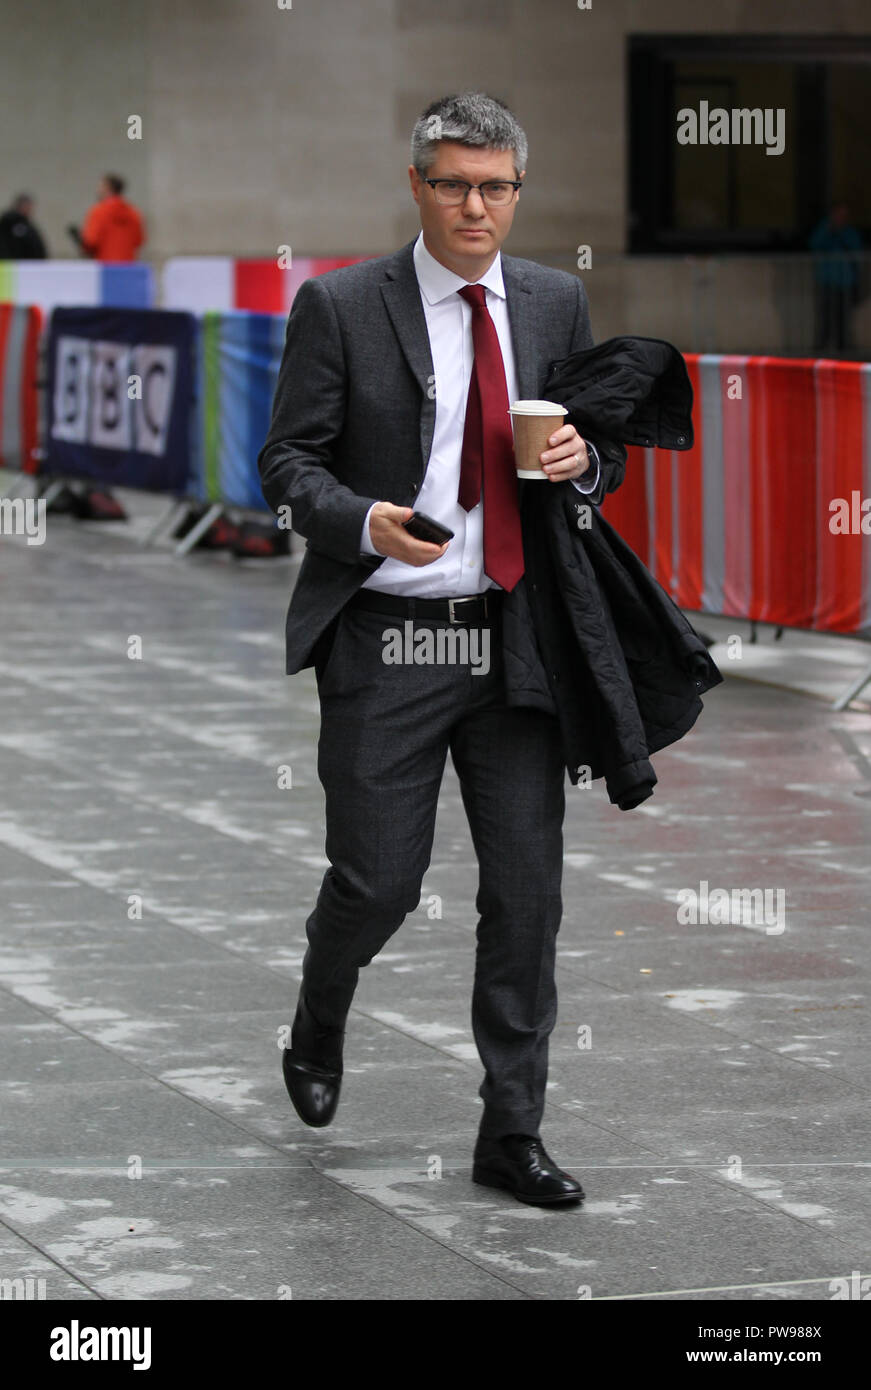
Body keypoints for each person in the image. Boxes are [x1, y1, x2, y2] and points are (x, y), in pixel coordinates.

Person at [258, 92, 618, 1207]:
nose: (476, 204)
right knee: (378, 881)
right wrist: (360, 521)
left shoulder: (556, 301)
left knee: (526, 890)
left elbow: (592, 445)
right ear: (417, 185)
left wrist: (582, 463)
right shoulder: (342, 305)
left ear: (518, 190)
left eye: (496, 185)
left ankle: (511, 1130)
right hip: (387, 633)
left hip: (514, 634)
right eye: (455, 183)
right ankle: (320, 1012)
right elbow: (286, 464)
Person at [809, 202, 863, 354]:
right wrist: (830, 230)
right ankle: (820, 349)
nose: (841, 218)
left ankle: (843, 349)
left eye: (844, 215)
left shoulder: (849, 232)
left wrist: (841, 234)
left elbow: (855, 248)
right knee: (825, 317)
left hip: (845, 282)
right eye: (838, 214)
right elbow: (815, 244)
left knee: (843, 318)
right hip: (827, 282)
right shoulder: (824, 229)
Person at [72, 174, 145, 262]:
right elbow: (139, 240)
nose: (97, 190)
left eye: (100, 187)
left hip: (105, 267)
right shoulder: (133, 212)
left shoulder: (98, 212)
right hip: (127, 266)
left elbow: (91, 241)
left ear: (107, 188)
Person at [0, 194, 47, 258]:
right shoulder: (9, 225)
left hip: (28, 265)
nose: (30, 210)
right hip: (14, 264)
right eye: (27, 206)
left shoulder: (27, 225)